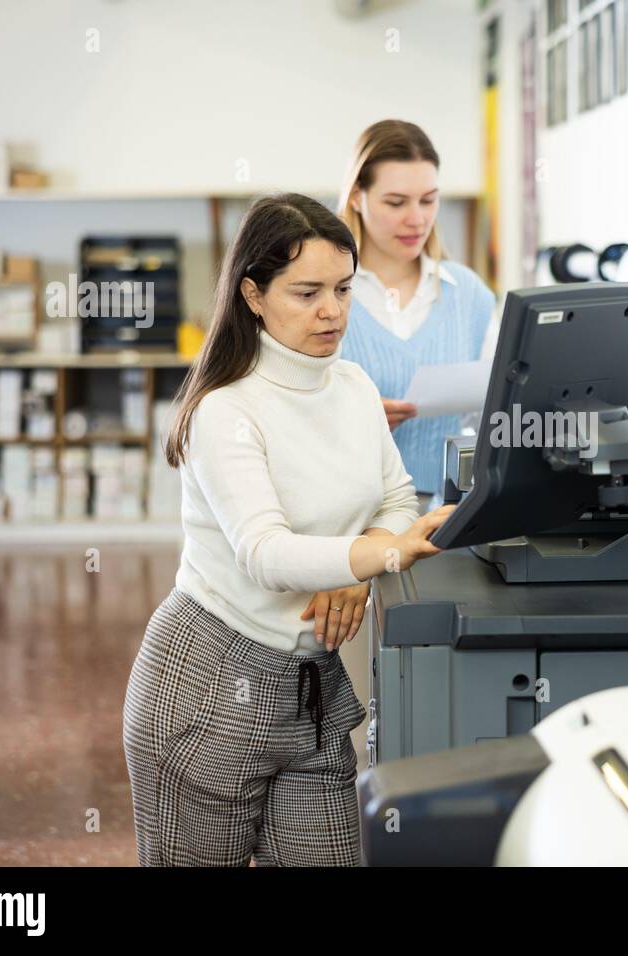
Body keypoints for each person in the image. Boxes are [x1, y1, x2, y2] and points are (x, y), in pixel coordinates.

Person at [122, 193, 454, 866]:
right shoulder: (225, 410)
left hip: (311, 692)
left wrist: (353, 577)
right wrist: (383, 554)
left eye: (342, 289)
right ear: (253, 293)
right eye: (306, 293)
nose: (331, 311)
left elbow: (396, 495)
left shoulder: (354, 386)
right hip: (207, 685)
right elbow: (265, 554)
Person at [337, 119, 498, 505]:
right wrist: (348, 421)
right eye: (396, 202)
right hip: (350, 520)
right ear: (358, 196)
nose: (417, 219)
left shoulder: (469, 293)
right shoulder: (327, 294)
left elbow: (492, 414)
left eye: (428, 200)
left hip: (448, 515)